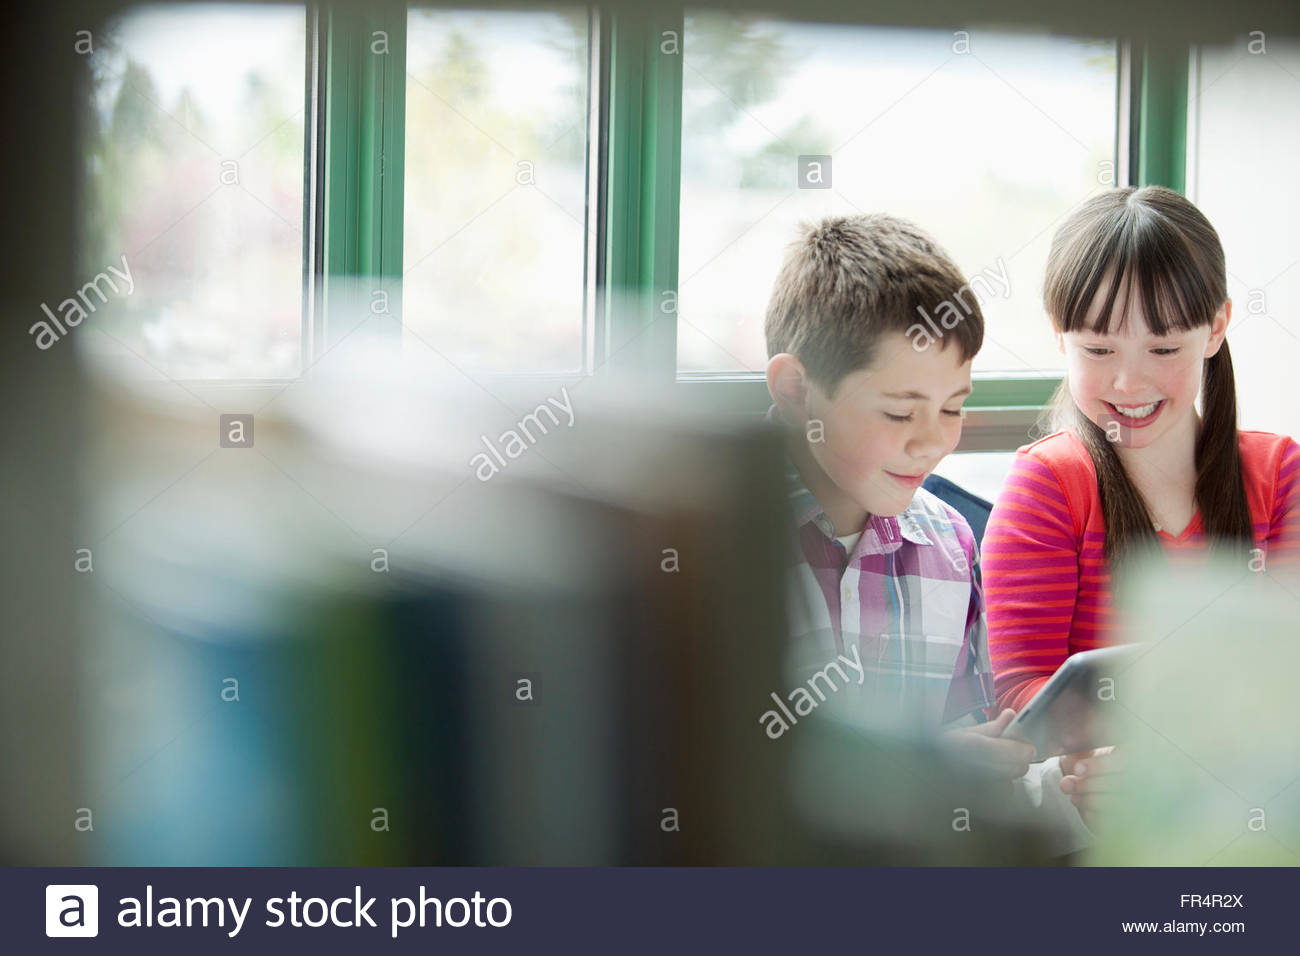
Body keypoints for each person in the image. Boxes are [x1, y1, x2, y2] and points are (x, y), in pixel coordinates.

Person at [982, 185, 1300, 826]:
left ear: (1215, 328)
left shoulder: (1280, 473)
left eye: (1162, 349)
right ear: (1059, 337)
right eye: (1098, 351)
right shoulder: (1048, 485)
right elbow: (1023, 696)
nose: (1128, 384)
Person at [763, 213, 1034, 779]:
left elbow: (963, 744)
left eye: (953, 407)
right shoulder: (710, 543)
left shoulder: (953, 547)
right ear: (795, 391)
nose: (933, 440)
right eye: (899, 412)